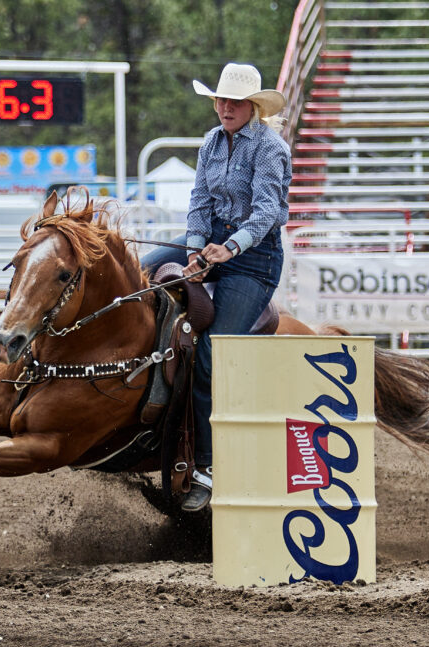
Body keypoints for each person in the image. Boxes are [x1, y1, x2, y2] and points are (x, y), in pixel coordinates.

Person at [141, 62, 291, 512]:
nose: (224, 107)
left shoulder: (270, 148)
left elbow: (267, 213)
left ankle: (206, 467)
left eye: (233, 102)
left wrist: (228, 248)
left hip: (255, 260)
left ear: (252, 107)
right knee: (140, 275)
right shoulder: (210, 142)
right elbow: (198, 203)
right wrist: (192, 251)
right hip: (210, 247)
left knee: (211, 355)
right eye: (220, 100)